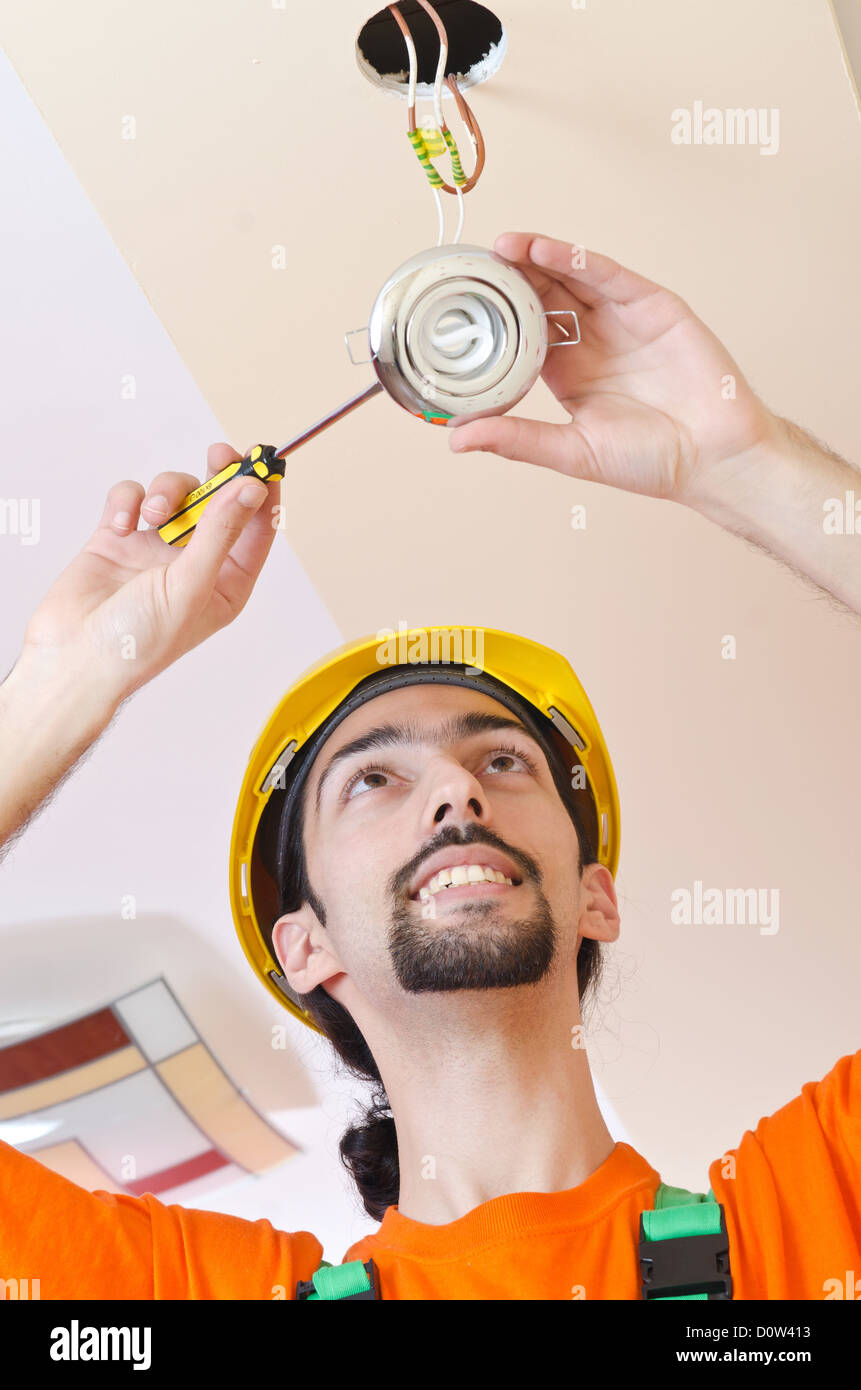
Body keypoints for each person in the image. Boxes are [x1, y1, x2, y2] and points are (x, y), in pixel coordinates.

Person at [0, 233, 858, 1300]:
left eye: (503, 759)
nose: (460, 790)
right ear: (303, 941)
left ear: (597, 894)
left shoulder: (816, 1224)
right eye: (374, 778)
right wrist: (70, 678)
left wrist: (750, 470)